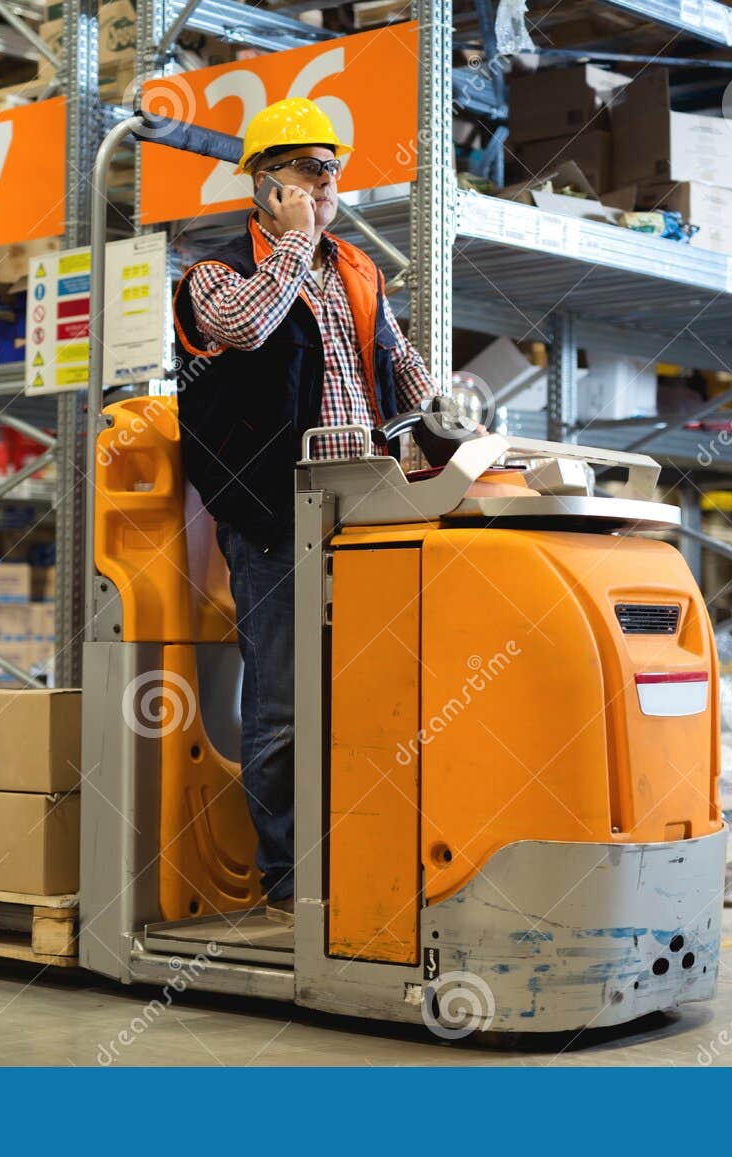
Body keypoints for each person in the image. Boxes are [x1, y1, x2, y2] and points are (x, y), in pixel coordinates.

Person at [171, 97, 441, 921]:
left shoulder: (356, 269)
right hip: (276, 511)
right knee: (285, 703)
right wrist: (292, 242)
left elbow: (397, 363)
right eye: (306, 170)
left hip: (367, 504)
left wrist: (449, 429)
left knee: (370, 693)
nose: (326, 185)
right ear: (263, 182)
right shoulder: (214, 273)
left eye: (333, 170)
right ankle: (290, 883)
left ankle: (363, 859)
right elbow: (249, 331)